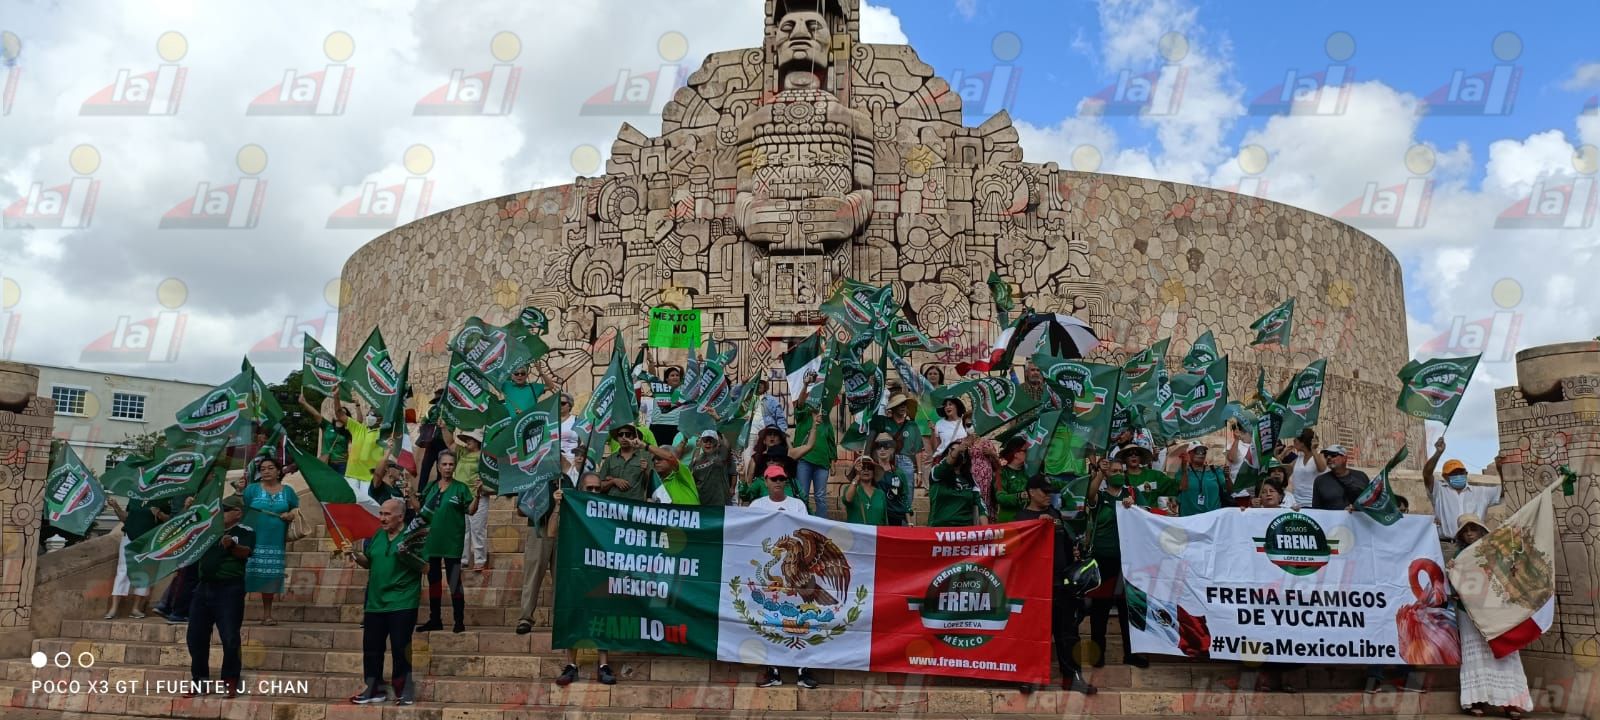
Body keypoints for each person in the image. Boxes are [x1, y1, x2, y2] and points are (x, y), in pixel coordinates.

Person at [1014, 475, 1097, 695]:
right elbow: (1017, 552)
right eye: (1043, 491)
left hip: (1062, 583)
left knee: (1068, 633)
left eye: (1050, 491)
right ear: (1031, 492)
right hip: (1036, 587)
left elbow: (1067, 544)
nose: (1048, 495)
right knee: (1033, 634)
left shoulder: (1056, 514)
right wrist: (1035, 526)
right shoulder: (1021, 517)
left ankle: (1072, 677)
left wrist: (1075, 553)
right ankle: (1029, 676)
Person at [1451, 514, 1532, 718]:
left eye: (1473, 529)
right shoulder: (1459, 558)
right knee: (1475, 654)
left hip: (1496, 611)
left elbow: (1509, 578)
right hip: (1469, 612)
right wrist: (1452, 572)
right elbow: (1454, 586)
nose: (1470, 534)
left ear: (1482, 531)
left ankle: (1512, 702)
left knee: (1503, 651)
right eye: (1465, 531)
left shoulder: (1496, 553)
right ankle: (1475, 700)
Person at [749, 464, 820, 690]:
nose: (778, 482)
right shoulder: (756, 505)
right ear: (765, 481)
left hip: (795, 573)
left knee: (800, 619)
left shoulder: (797, 505)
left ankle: (803, 669)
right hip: (767, 571)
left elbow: (806, 533)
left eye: (781, 478)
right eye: (773, 478)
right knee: (769, 618)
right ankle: (773, 669)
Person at [349, 498, 426, 705]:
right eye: (381, 513)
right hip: (375, 601)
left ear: (400, 517)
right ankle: (374, 689)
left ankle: (405, 690)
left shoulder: (412, 537)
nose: (381, 518)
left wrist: (406, 554)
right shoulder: (377, 535)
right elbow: (369, 562)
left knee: (401, 648)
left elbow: (424, 567)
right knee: (371, 648)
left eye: (386, 514)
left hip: (402, 601)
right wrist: (355, 555)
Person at [183, 494, 254, 698]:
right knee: (195, 637)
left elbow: (246, 552)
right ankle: (200, 681)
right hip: (203, 587)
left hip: (230, 589)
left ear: (237, 513)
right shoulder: (207, 530)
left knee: (230, 637)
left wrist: (231, 545)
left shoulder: (244, 531)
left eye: (225, 509)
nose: (220, 513)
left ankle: (230, 680)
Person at [1083, 455, 1150, 668]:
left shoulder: (1132, 493)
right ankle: (1098, 653)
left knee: (1127, 608)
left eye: (1121, 471)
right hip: (1103, 559)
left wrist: (1135, 507)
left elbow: (1147, 516)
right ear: (1106, 475)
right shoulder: (1101, 496)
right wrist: (1100, 473)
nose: (1119, 474)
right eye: (1114, 471)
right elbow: (1089, 495)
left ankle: (1132, 653)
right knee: (1099, 609)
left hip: (1129, 561)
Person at [556, 473, 619, 686]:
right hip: (575, 571)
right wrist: (558, 507)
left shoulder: (608, 511)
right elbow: (550, 532)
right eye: (589, 489)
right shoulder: (570, 507)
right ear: (580, 490)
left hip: (600, 572)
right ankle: (571, 665)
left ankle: (603, 665)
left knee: (602, 615)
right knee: (572, 613)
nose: (594, 493)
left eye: (597, 489)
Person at [409, 450, 482, 633]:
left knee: (455, 581)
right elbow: (420, 509)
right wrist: (410, 494)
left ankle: (459, 621)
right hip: (432, 543)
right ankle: (435, 619)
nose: (448, 467)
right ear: (438, 466)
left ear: (454, 466)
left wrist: (478, 494)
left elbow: (471, 511)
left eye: (451, 464)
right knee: (434, 582)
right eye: (444, 464)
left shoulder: (461, 488)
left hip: (453, 543)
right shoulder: (432, 486)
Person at [242, 456, 298, 626]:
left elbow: (296, 507)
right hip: (253, 539)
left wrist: (290, 514)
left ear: (279, 470)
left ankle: (267, 615)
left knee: (271, 577)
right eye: (263, 469)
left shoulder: (288, 491)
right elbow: (243, 509)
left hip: (275, 541)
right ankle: (234, 612)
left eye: (270, 468)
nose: (266, 471)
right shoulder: (252, 489)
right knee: (244, 576)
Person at [514, 459, 567, 635]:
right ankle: (525, 617)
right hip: (539, 529)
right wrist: (541, 504)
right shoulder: (532, 479)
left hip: (563, 530)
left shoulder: (566, 481)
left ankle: (561, 618)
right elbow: (520, 510)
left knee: (561, 576)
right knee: (533, 574)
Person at [1424, 437, 1502, 556]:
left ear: (1466, 474)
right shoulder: (1439, 490)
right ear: (1445, 476)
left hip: (1475, 547)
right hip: (1447, 546)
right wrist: (1438, 453)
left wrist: (1500, 469)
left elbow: (1504, 491)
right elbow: (1427, 474)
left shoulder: (1481, 492)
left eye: (1460, 472)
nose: (1458, 475)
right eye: (1453, 473)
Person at [104, 496, 162, 619]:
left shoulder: (163, 497)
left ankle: (136, 608)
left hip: (148, 540)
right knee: (122, 571)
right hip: (129, 537)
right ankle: (113, 608)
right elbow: (126, 518)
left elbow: (169, 519)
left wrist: (159, 514)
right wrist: (116, 506)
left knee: (144, 573)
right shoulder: (135, 497)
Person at [444, 428, 492, 572]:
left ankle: (479, 560)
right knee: (462, 529)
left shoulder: (485, 456)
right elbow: (450, 444)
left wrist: (485, 486)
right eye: (466, 439)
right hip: (461, 496)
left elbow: (492, 474)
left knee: (477, 529)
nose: (466, 442)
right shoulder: (462, 452)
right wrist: (442, 427)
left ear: (478, 441)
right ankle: (463, 560)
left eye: (469, 439)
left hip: (478, 496)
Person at [791, 377, 836, 515]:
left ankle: (821, 526)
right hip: (804, 461)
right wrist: (805, 385)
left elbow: (831, 442)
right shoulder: (803, 415)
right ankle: (802, 521)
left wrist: (832, 462)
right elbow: (799, 404)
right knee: (802, 494)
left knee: (821, 497)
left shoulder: (826, 421)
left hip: (823, 463)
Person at [874, 393, 926, 492]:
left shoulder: (912, 425)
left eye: (904, 404)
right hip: (886, 460)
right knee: (886, 491)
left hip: (906, 461)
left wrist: (919, 472)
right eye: (899, 404)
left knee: (907, 493)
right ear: (893, 408)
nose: (903, 407)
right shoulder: (884, 422)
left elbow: (918, 450)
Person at [928, 438, 981, 526]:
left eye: (960, 452)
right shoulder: (936, 473)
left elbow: (981, 507)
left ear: (964, 460)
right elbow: (946, 465)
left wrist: (986, 532)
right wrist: (959, 449)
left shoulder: (971, 480)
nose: (957, 452)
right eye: (953, 450)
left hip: (964, 531)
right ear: (947, 454)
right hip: (939, 529)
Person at [299, 388, 352, 476]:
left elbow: (360, 421)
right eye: (339, 412)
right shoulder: (327, 426)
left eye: (343, 413)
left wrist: (357, 405)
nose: (340, 414)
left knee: (340, 486)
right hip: (327, 462)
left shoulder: (349, 430)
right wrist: (304, 403)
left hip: (342, 464)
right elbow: (316, 414)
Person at [1276, 429, 1327, 509]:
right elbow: (1284, 470)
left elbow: (1321, 468)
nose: (1293, 441)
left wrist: (1313, 450)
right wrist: (1281, 455)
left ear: (1302, 443)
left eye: (1295, 440)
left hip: (1312, 502)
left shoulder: (1320, 456)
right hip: (1297, 503)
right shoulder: (1299, 458)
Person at [598, 425, 651, 501]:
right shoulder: (610, 459)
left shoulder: (645, 457)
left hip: (635, 505)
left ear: (634, 437)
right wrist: (613, 481)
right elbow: (600, 486)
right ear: (617, 438)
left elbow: (652, 484)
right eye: (620, 434)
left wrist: (646, 471)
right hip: (613, 505)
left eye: (628, 434)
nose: (624, 437)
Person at [1310, 444, 1368, 511]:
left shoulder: (1361, 476)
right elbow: (1316, 509)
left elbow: (1371, 502)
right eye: (1326, 455)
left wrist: (1356, 508)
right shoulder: (1320, 481)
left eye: (1333, 455)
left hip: (1357, 520)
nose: (1328, 457)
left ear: (1344, 458)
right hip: (1332, 521)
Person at [1175, 442, 1227, 516]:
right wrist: (1184, 470)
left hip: (1213, 518)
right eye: (1197, 451)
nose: (1201, 454)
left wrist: (1227, 477)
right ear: (1189, 454)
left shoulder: (1215, 470)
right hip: (1190, 519)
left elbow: (1229, 490)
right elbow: (1182, 487)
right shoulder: (1182, 472)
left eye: (1203, 451)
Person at [875, 434, 913, 526]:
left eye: (886, 446)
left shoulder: (899, 473)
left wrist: (909, 522)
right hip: (876, 515)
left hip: (895, 516)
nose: (882, 449)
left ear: (892, 449)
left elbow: (903, 497)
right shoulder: (871, 471)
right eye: (879, 446)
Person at [688, 430, 732, 507]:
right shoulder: (698, 458)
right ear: (701, 442)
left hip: (720, 503)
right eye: (705, 440)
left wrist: (722, 434)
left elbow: (727, 447)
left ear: (716, 443)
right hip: (701, 502)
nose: (708, 443)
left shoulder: (721, 456)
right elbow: (691, 473)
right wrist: (698, 447)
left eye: (711, 441)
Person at [841, 456, 887, 525]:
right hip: (857, 534)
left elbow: (884, 519)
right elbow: (848, 499)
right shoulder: (850, 489)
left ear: (874, 472)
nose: (866, 470)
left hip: (876, 534)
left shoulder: (880, 493)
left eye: (869, 467)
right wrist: (857, 476)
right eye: (862, 468)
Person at [993, 437, 1031, 523]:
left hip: (1028, 520)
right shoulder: (1001, 473)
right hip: (1009, 521)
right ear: (1016, 453)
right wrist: (1019, 496)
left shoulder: (1028, 471)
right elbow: (1000, 498)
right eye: (1025, 451)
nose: (1028, 453)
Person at [648, 366, 686, 443]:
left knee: (674, 453)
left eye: (677, 375)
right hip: (658, 426)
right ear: (666, 379)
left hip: (676, 426)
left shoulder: (683, 389)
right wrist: (651, 362)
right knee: (658, 453)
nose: (675, 377)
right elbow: (651, 375)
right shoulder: (658, 387)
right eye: (672, 375)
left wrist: (681, 367)